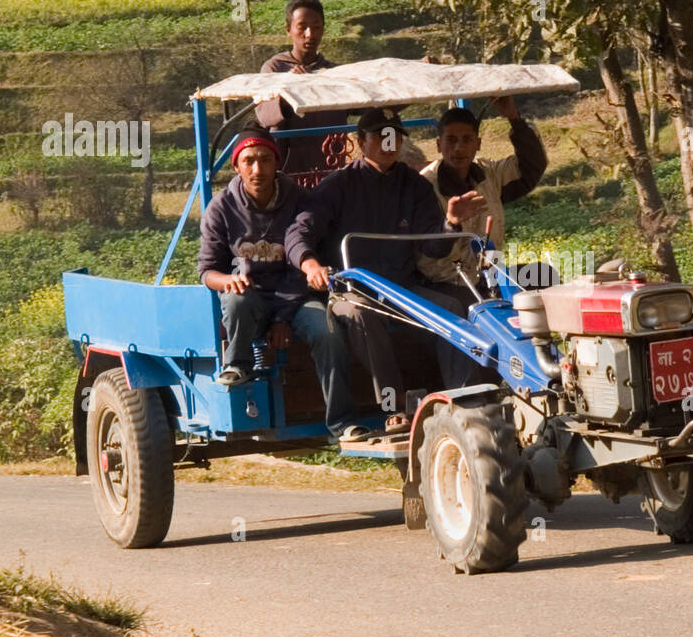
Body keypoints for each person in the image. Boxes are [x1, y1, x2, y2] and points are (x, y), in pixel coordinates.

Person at [290, 109, 487, 415]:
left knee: (450, 309)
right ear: (360, 141)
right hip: (352, 290)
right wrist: (310, 264)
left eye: (395, 136)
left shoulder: (414, 186)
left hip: (401, 289)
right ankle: (393, 403)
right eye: (381, 136)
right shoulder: (337, 185)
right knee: (359, 314)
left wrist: (451, 223)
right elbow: (298, 233)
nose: (389, 142)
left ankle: (464, 401)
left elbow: (433, 247)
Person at [197, 126, 366, 439]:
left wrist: (282, 319)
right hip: (250, 300)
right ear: (237, 166)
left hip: (296, 298)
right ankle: (239, 365)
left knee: (327, 331)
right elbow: (207, 271)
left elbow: (302, 263)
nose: (257, 169)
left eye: (264, 160)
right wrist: (227, 282)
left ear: (277, 163)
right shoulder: (220, 208)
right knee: (237, 299)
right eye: (248, 161)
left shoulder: (301, 201)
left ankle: (342, 423)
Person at [256, 0, 426, 174]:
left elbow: (373, 104)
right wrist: (293, 88)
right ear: (288, 29)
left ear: (323, 29)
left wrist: (419, 81)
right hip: (287, 172)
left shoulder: (335, 74)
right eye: (302, 27)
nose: (310, 34)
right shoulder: (275, 68)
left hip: (330, 167)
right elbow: (265, 115)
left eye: (316, 27)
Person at [417, 95, 547, 302]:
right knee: (480, 309)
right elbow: (431, 250)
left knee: (543, 275)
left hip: (490, 276)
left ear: (477, 144)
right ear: (438, 145)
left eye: (467, 140)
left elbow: (532, 167)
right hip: (447, 284)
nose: (459, 148)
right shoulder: (423, 186)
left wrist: (514, 118)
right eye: (451, 140)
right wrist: (451, 224)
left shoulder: (490, 173)